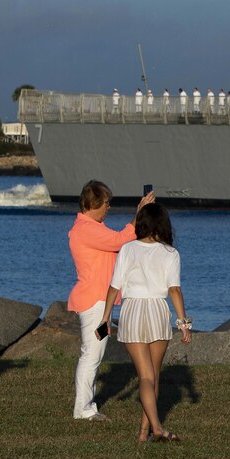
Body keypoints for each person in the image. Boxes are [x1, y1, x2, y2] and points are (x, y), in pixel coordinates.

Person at [102, 203, 191, 443]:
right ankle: (157, 429)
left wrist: (105, 319)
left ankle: (145, 433)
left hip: (131, 310)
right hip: (156, 310)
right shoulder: (170, 253)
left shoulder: (128, 248)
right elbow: (174, 289)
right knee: (154, 376)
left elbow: (114, 287)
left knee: (145, 377)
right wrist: (183, 322)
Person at [67, 180, 155, 421]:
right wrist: (138, 214)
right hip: (94, 302)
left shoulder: (94, 227)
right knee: (92, 354)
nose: (108, 207)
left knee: (94, 353)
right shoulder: (86, 229)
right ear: (93, 203)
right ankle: (83, 409)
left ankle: (87, 406)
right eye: (106, 203)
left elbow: (121, 242)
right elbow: (119, 241)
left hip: (100, 301)